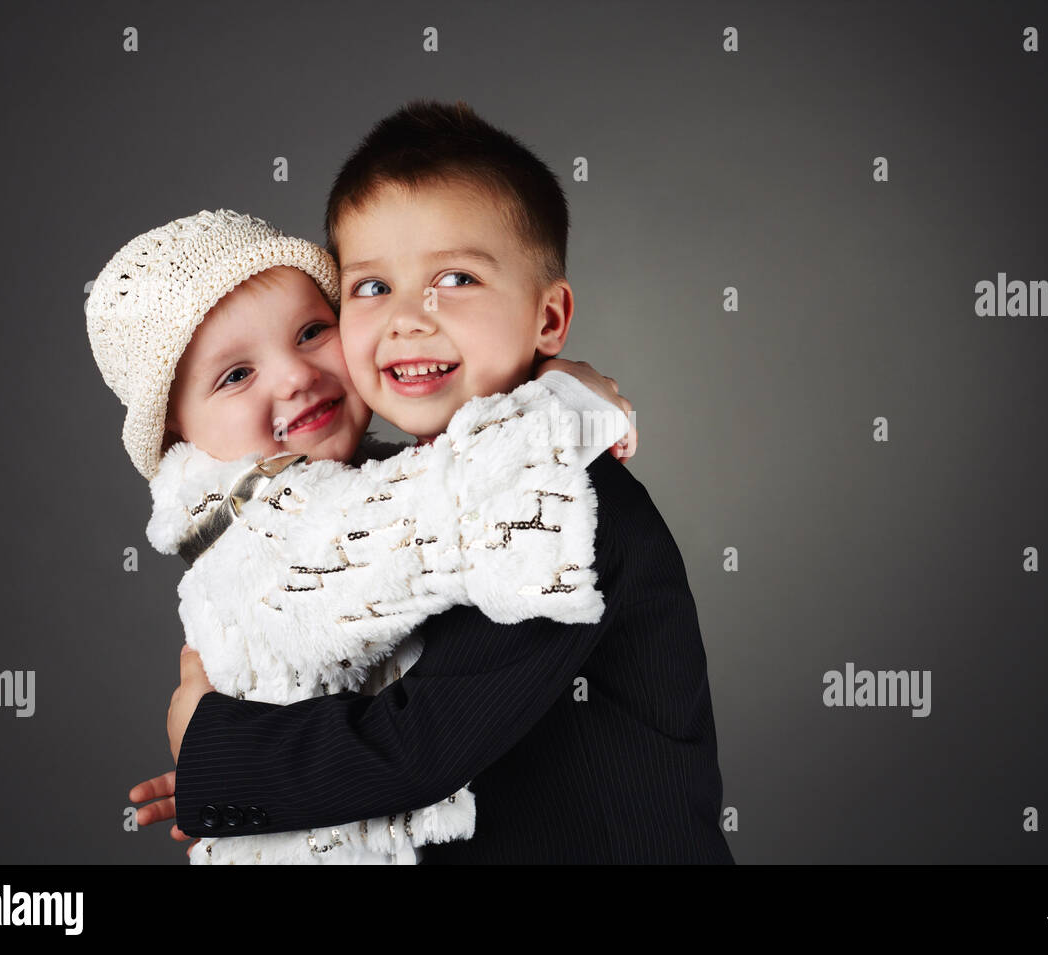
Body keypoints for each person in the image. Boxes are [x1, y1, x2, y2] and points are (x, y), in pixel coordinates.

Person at [138, 99, 733, 863]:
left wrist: (215, 749)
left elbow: (418, 747)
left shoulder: (556, 499)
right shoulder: (403, 498)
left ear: (549, 320)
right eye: (372, 287)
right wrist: (245, 799)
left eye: (454, 278)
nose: (408, 319)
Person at [89, 209, 633, 863]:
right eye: (236, 375)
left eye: (312, 331)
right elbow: (449, 508)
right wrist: (562, 401)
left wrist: (229, 768)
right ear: (180, 436)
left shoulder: (353, 475)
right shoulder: (254, 520)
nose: (294, 376)